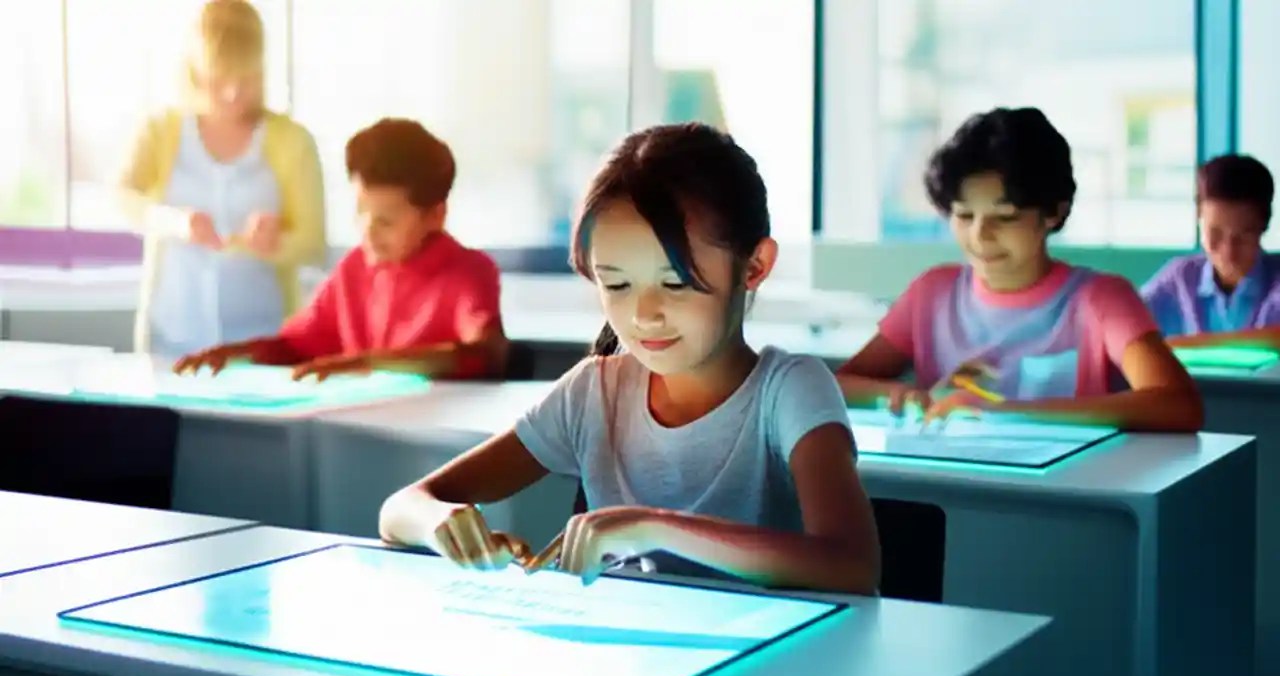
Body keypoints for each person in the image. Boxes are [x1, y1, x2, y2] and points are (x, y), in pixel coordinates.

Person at [379, 123, 881, 594]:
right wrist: (438, 522)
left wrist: (654, 527)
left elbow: (853, 564)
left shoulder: (790, 389)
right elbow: (401, 507)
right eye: (616, 284)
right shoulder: (594, 392)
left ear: (754, 266)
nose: (644, 314)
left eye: (674, 282)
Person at [836, 107, 1203, 432]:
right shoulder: (932, 293)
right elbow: (841, 383)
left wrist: (1003, 412)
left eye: (1005, 218)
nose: (981, 235)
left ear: (1053, 213)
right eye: (964, 215)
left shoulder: (1101, 299)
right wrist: (899, 394)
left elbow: (1178, 404)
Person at [173, 118, 507, 381]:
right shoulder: (353, 270)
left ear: (436, 214)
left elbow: (485, 354)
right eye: (360, 211)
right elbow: (294, 346)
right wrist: (232, 355)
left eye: (386, 221)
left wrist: (370, 364)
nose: (368, 232)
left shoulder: (468, 271)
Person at [120, 0, 325, 358]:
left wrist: (275, 242)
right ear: (195, 71)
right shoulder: (160, 130)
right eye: (219, 78)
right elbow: (124, 199)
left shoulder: (294, 142)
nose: (233, 93)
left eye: (245, 78)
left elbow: (314, 244)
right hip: (170, 343)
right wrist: (176, 222)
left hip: (264, 347)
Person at [1142, 154, 1280, 350]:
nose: (1228, 252)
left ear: (1264, 226)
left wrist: (1182, 344)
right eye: (1214, 234)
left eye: (1243, 236)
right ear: (1199, 220)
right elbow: (1125, 323)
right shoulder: (1180, 278)